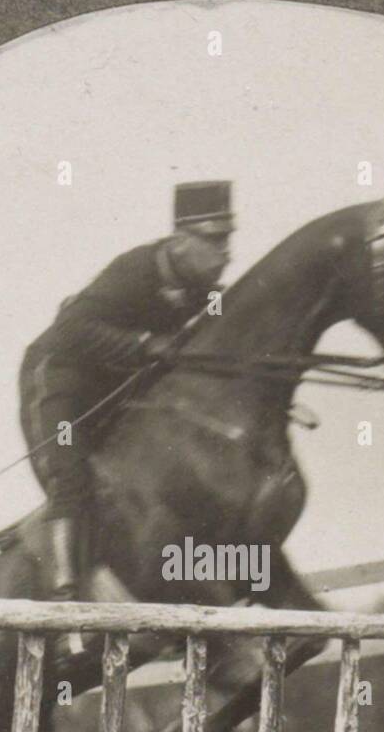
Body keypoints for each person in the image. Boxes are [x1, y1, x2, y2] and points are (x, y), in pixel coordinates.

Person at [16, 181, 235, 600]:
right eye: (214, 240)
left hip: (119, 384)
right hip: (59, 381)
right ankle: (67, 590)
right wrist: (144, 344)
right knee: (71, 476)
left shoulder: (210, 294)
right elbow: (70, 328)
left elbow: (219, 333)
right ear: (179, 240)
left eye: (227, 240)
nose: (225, 254)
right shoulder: (134, 270)